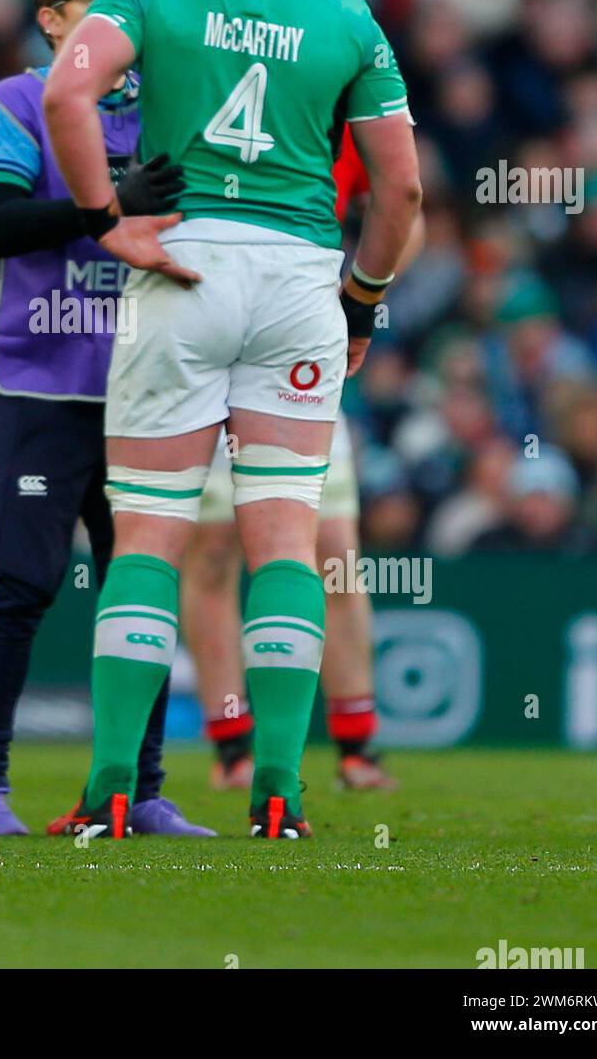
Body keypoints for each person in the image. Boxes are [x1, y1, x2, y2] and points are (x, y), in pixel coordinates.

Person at [43, 0, 422, 840]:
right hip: (300, 279)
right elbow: (401, 192)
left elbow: (68, 94)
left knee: (153, 538)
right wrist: (362, 304)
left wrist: (102, 220)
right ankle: (282, 795)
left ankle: (113, 791)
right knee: (286, 540)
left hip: (186, 262)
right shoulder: (347, 12)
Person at [0, 0, 212, 837]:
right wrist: (109, 208)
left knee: (139, 586)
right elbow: (1, 223)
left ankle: (138, 793)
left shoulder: (176, 105)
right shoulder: (16, 104)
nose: (111, 10)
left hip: (147, 388)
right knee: (22, 583)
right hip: (40, 380)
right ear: (52, 21)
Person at [184, 130, 426, 793]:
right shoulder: (221, 85)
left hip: (301, 343)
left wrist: (362, 283)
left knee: (334, 551)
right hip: (214, 348)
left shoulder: (349, 106)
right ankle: (232, 745)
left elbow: (409, 209)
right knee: (212, 551)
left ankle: (356, 742)